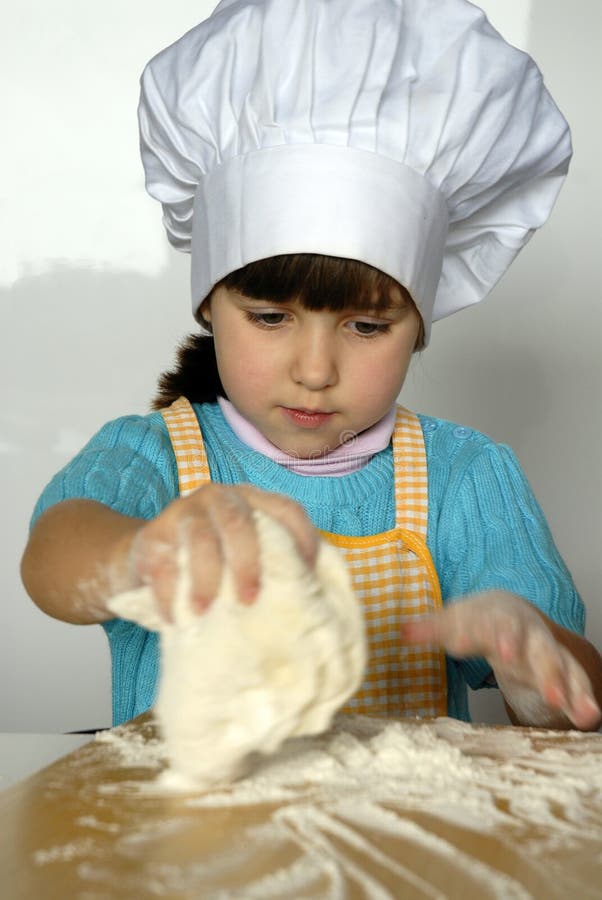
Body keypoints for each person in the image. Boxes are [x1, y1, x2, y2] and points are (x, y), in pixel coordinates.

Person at [21, 0, 602, 732]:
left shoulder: (464, 477)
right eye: (269, 319)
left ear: (420, 326)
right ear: (210, 307)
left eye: (366, 325)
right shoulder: (157, 456)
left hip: (399, 843)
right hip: (188, 844)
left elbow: (583, 689)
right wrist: (142, 555)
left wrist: (536, 661)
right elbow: (51, 563)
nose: (316, 369)